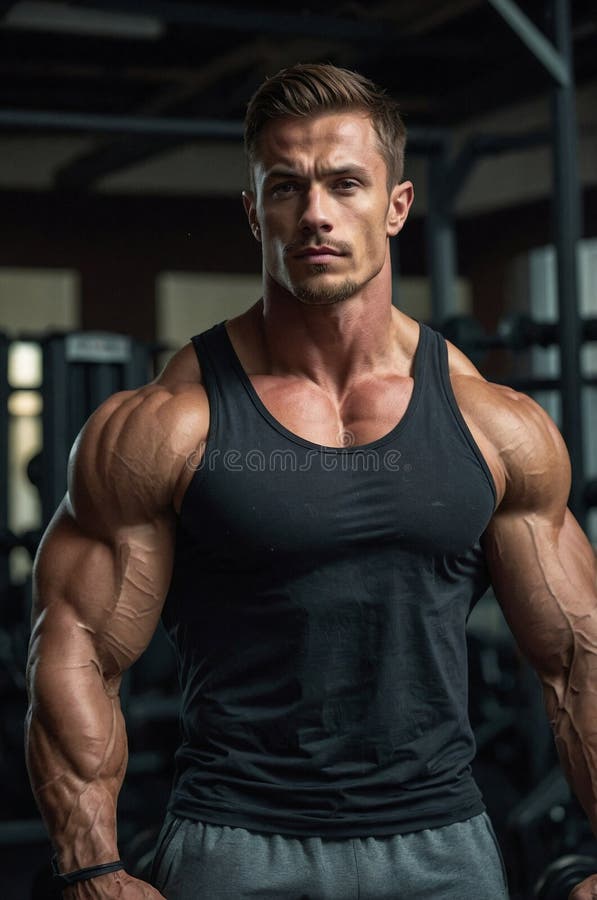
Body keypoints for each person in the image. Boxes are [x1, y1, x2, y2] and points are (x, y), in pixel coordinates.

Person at [25, 62, 597, 900]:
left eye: (344, 183)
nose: (316, 213)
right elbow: (73, 645)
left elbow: (576, 660)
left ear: (395, 206)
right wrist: (92, 866)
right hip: (236, 845)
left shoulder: (494, 425)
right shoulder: (165, 423)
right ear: (255, 211)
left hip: (440, 848)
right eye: (286, 187)